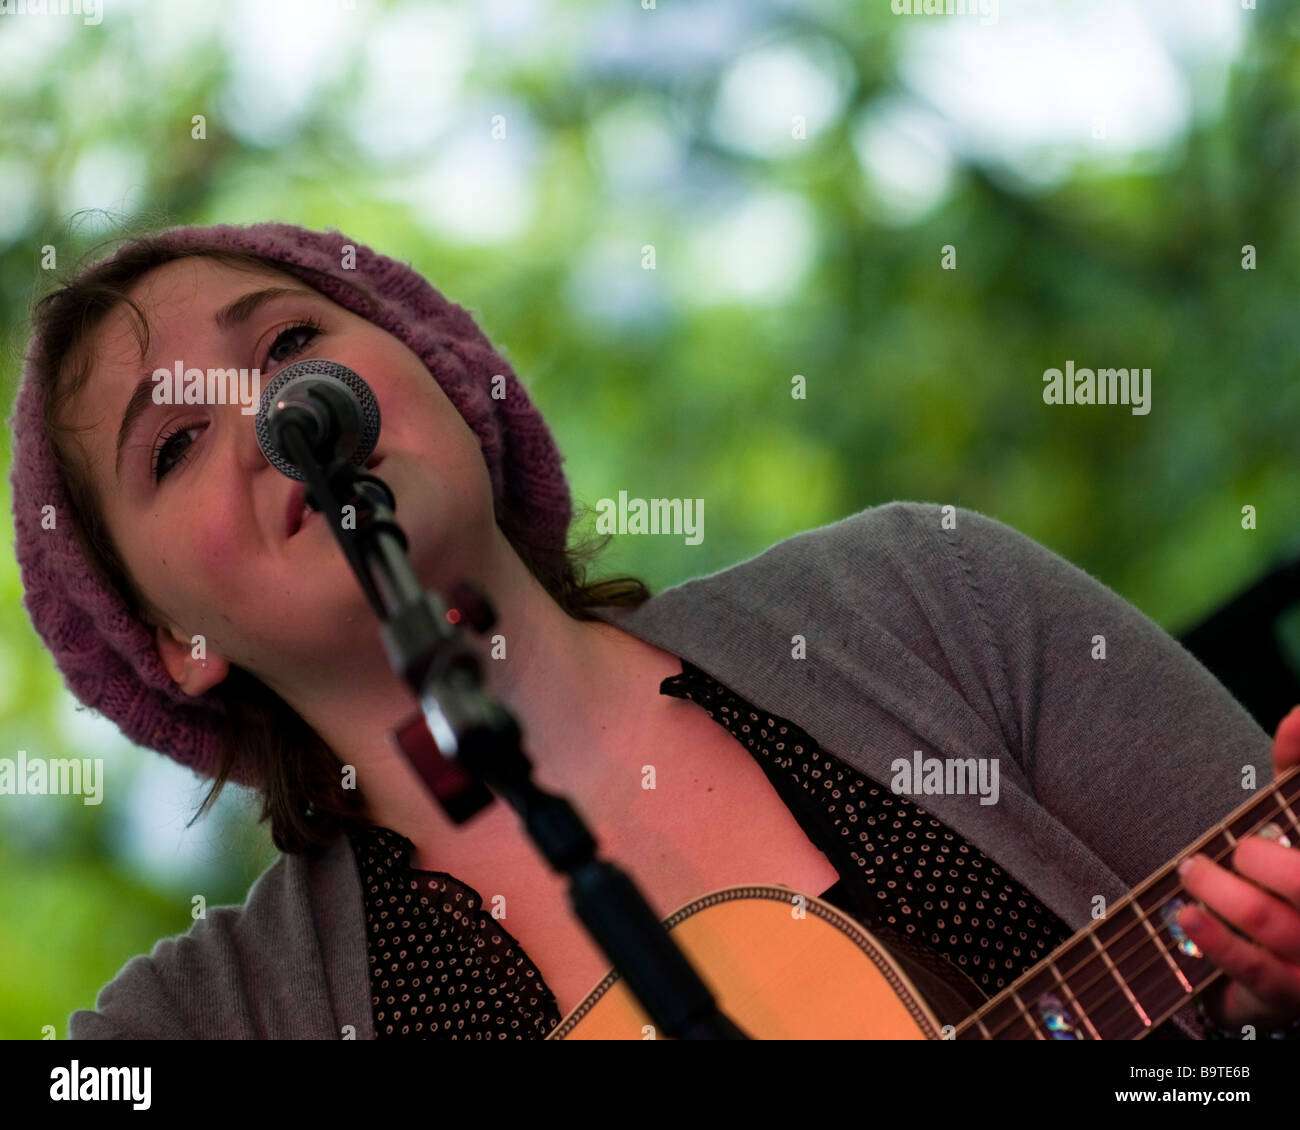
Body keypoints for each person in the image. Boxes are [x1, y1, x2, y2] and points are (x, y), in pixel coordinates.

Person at [9, 222, 1299, 1040]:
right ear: (168, 640)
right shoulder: (210, 1021)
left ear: (447, 388)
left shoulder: (927, 597)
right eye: (174, 442)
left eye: (293, 341)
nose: (270, 412)